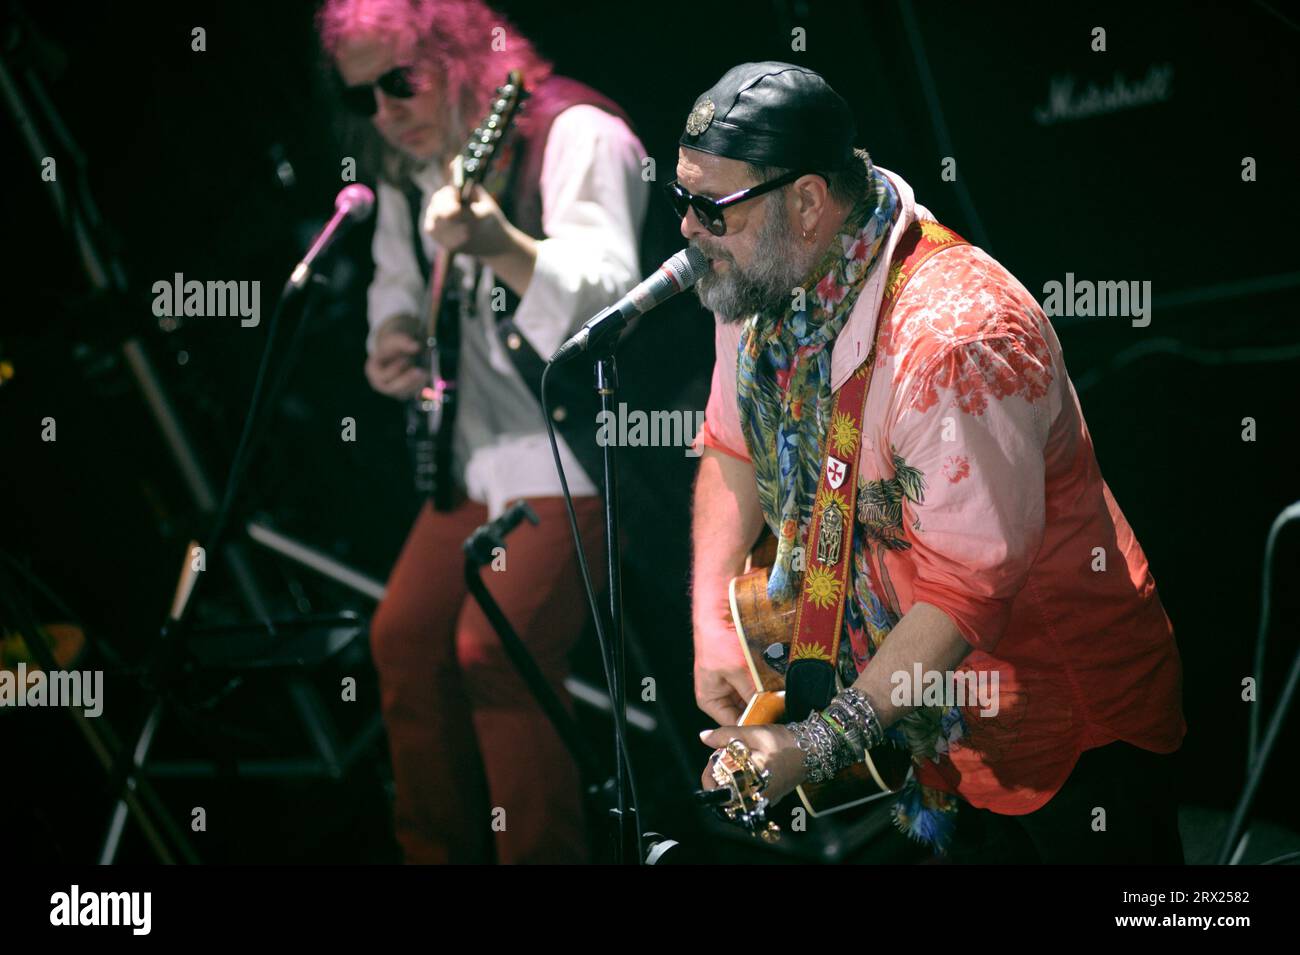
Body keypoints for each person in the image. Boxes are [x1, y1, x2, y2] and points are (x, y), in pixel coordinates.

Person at [681, 62, 1185, 863]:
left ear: (807, 203)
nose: (688, 229)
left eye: (713, 207)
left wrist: (817, 745)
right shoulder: (758, 282)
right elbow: (732, 442)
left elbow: (967, 588)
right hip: (922, 729)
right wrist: (712, 617)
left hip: (1060, 723)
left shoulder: (956, 338)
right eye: (684, 199)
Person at [318, 0, 648, 863]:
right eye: (364, 98)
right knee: (401, 641)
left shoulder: (577, 134)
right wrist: (390, 338)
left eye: (401, 83)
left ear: (460, 53)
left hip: (575, 456)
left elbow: (612, 296)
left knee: (492, 646)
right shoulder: (409, 165)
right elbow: (395, 279)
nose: (385, 113)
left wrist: (501, 242)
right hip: (475, 463)